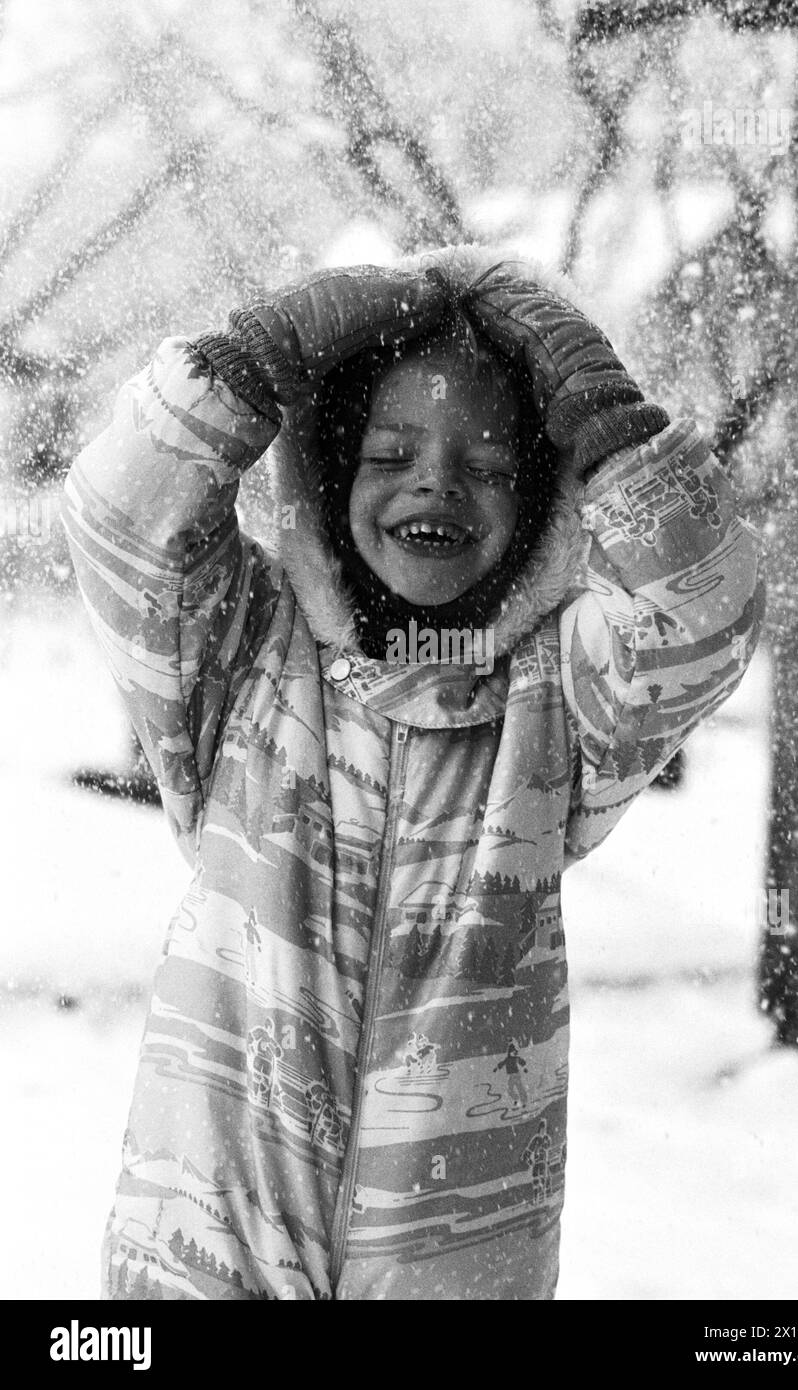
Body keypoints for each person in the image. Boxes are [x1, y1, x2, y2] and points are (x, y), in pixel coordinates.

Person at [62, 246, 762, 1300]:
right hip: (208, 1251)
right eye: (390, 452)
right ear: (328, 474)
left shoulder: (557, 703)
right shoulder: (242, 655)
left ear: (536, 507)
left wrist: (610, 424)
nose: (436, 481)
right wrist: (254, 356)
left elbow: (705, 611)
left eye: (486, 466)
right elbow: (121, 516)